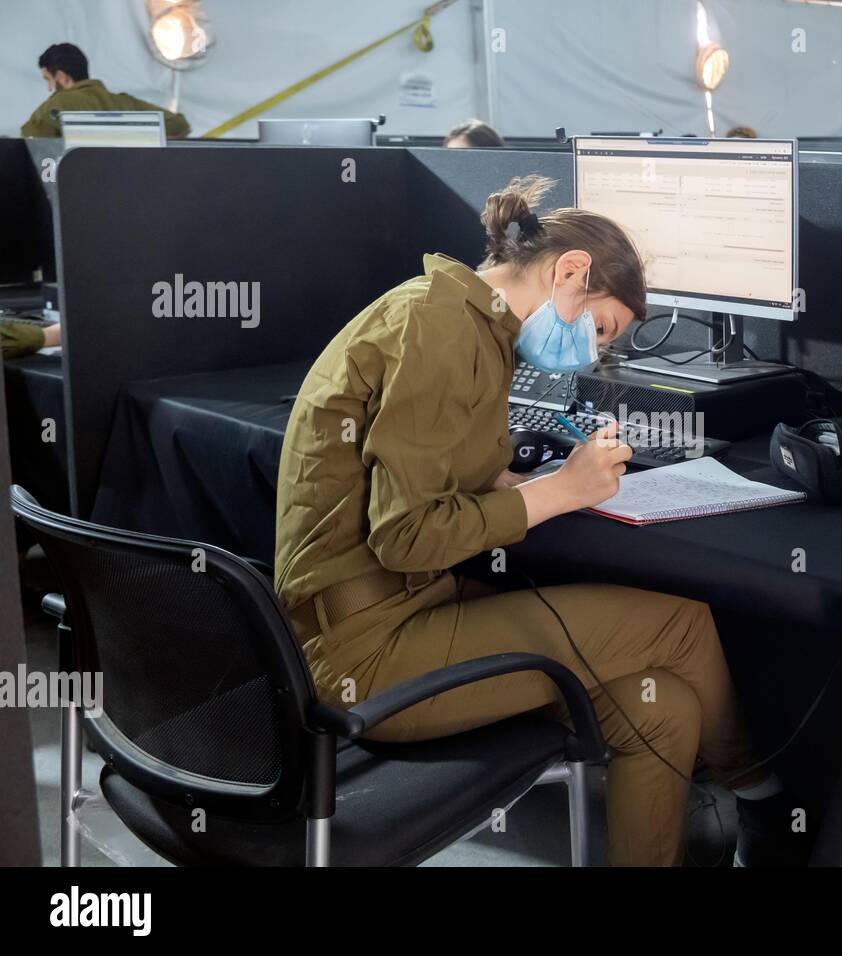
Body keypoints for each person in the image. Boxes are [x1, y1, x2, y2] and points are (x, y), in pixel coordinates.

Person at [274, 174, 797, 867]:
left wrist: (515, 482)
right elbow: (405, 535)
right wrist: (562, 493)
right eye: (601, 327)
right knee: (681, 623)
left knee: (661, 707)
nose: (591, 352)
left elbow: (426, 466)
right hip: (368, 659)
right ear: (571, 270)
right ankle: (770, 809)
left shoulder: (460, 318)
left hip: (409, 612)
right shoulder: (440, 330)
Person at [21, 43, 190, 139]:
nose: (49, 88)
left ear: (61, 77)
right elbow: (179, 125)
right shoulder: (126, 103)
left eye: (48, 80)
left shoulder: (55, 106)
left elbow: (32, 143)